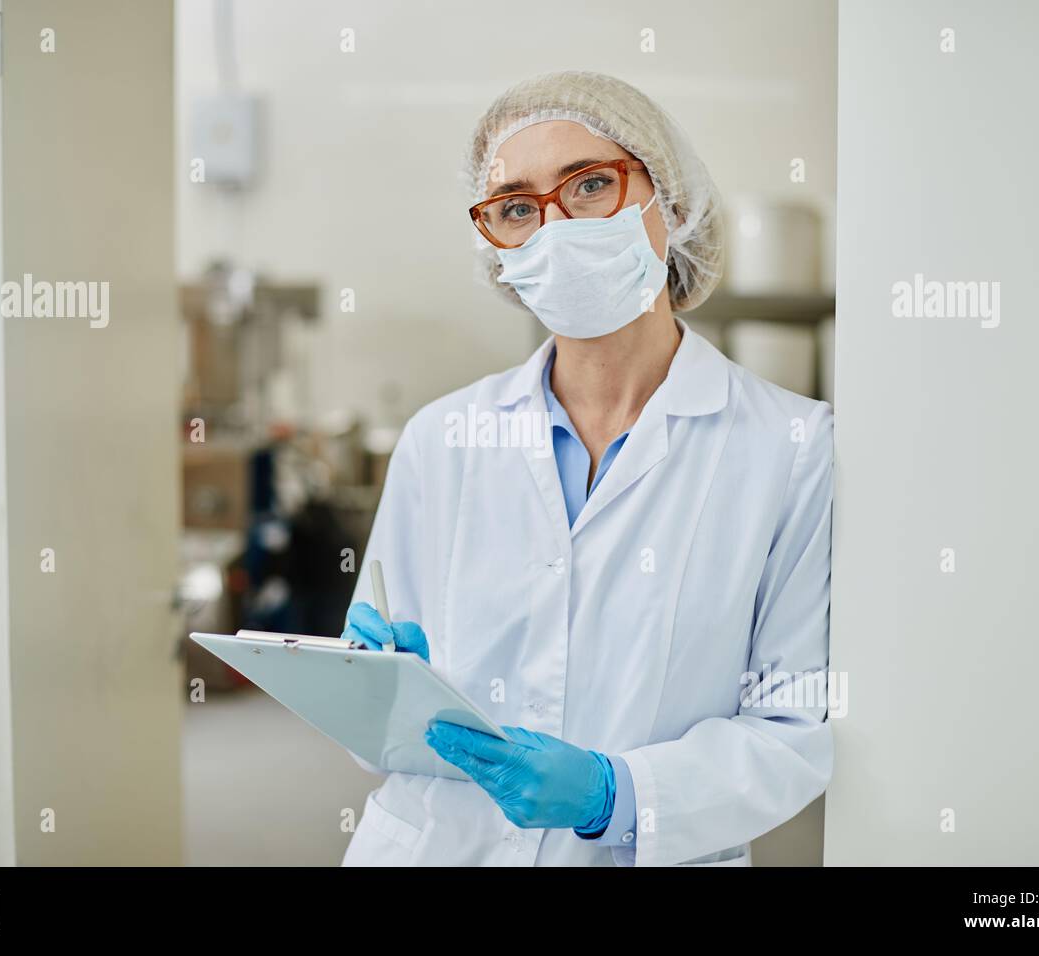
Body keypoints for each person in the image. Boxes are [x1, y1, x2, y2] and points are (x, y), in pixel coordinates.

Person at [340, 71, 833, 867]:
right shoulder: (442, 438)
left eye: (592, 185)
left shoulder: (794, 447)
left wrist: (619, 794)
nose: (554, 228)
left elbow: (796, 730)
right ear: (494, 245)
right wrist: (374, 691)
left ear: (668, 205)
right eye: (515, 207)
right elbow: (381, 740)